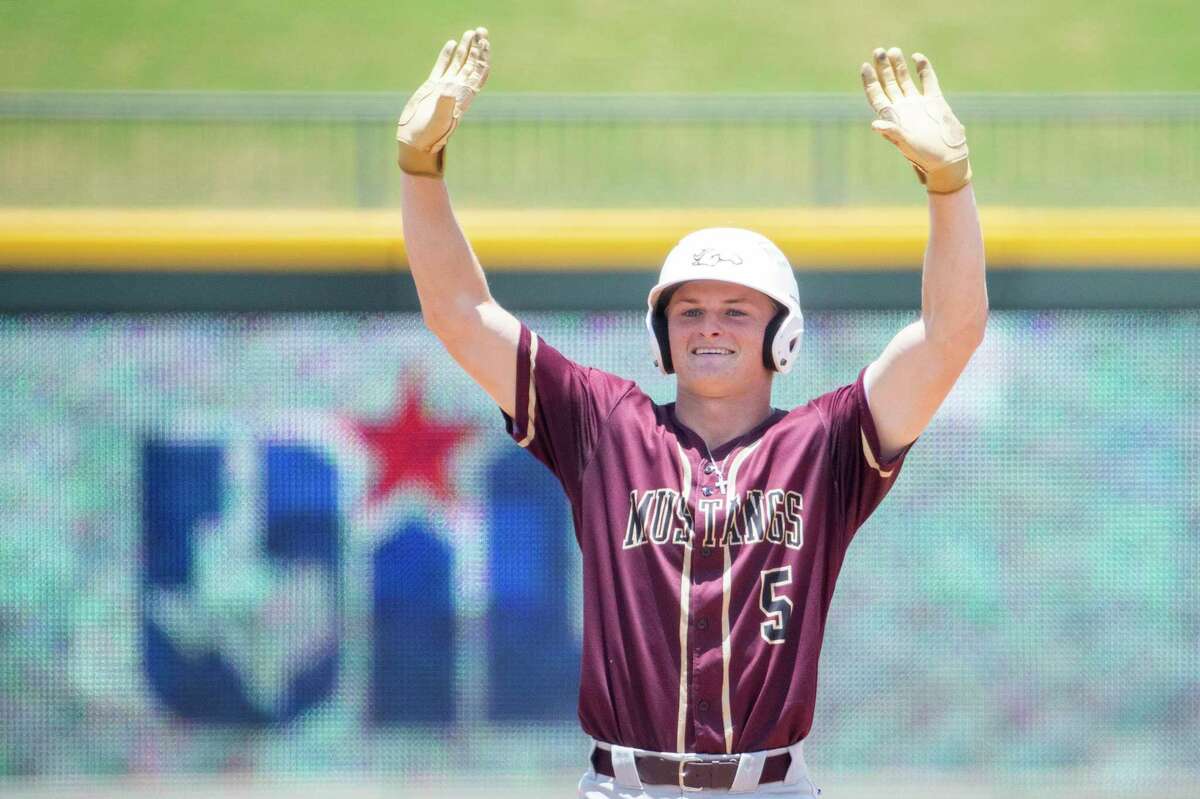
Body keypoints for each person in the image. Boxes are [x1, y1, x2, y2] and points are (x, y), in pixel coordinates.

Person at [396, 27, 987, 799]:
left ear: (784, 333)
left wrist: (950, 185)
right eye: (690, 308)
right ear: (661, 332)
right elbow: (461, 312)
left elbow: (950, 335)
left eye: (737, 310)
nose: (709, 323)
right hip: (624, 785)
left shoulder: (827, 443)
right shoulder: (606, 426)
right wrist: (419, 168)